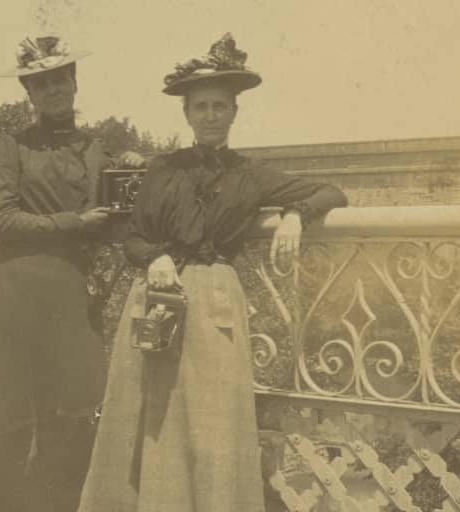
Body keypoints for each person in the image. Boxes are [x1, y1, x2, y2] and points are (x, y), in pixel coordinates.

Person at [78, 33, 349, 511]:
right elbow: (134, 236)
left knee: (214, 423)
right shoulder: (163, 170)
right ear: (186, 114)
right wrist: (155, 257)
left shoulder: (251, 174)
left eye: (219, 106)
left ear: (234, 112)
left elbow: (332, 192)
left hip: (215, 300)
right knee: (149, 417)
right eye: (200, 107)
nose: (209, 116)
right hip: (156, 297)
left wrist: (295, 214)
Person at [0, 36, 143, 512]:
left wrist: (134, 168)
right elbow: (3, 220)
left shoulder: (95, 149)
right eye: (42, 84)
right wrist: (73, 222)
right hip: (15, 291)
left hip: (71, 291)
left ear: (75, 84)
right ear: (29, 94)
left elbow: (114, 214)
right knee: (6, 412)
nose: (53, 90)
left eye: (60, 80)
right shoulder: (12, 146)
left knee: (75, 409)